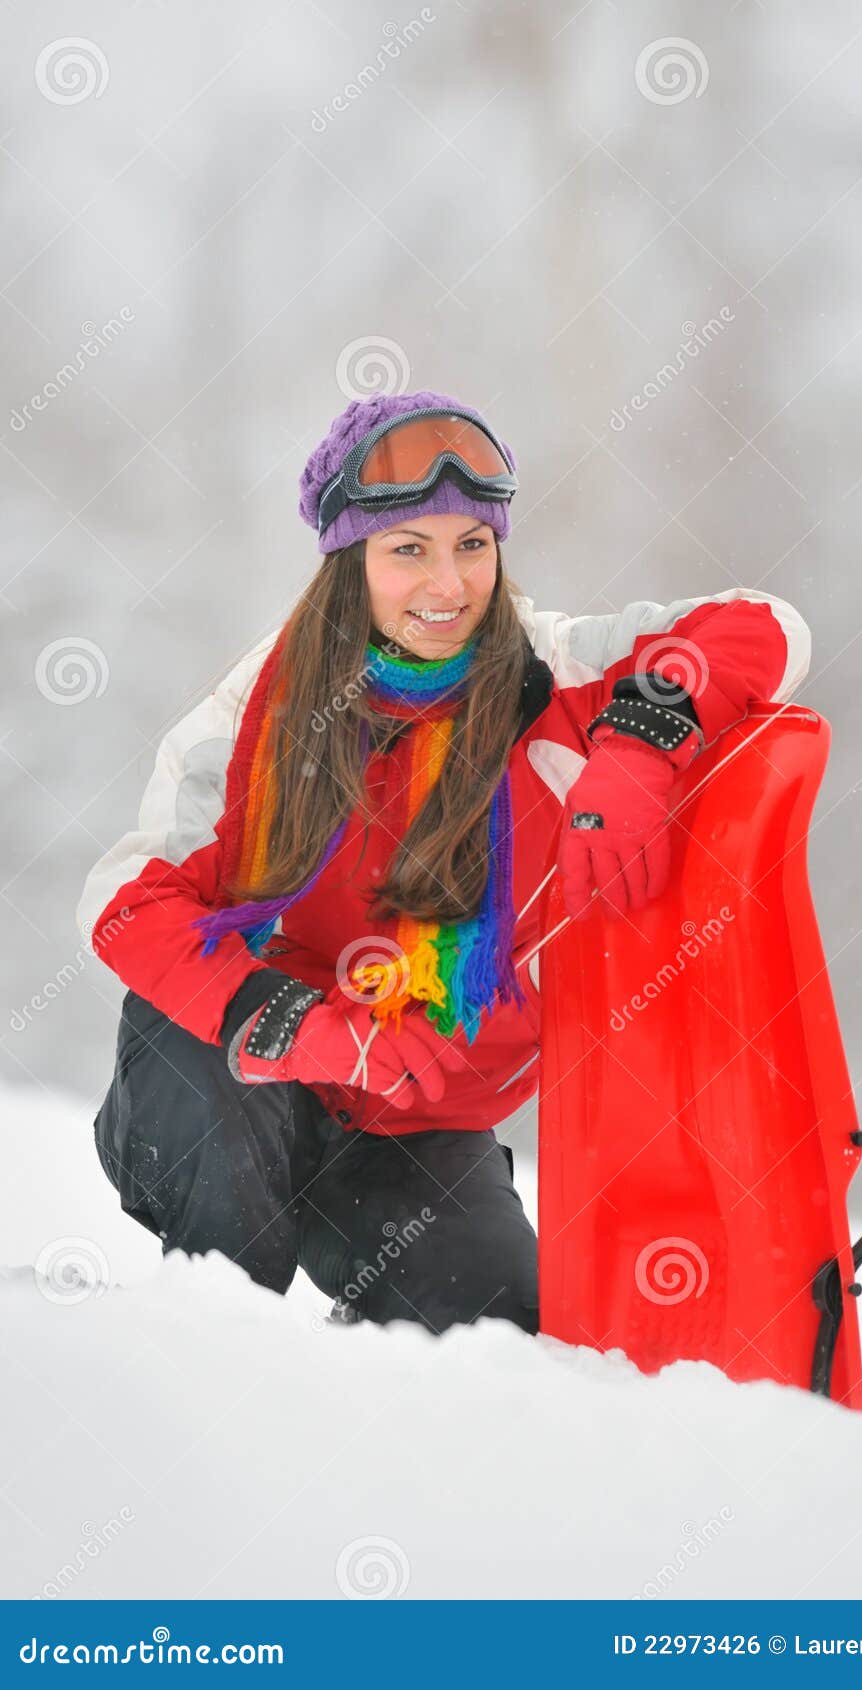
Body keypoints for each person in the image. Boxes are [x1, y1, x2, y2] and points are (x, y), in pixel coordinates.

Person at [78, 389, 811, 1334]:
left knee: (496, 1337)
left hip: (414, 1125)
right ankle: (216, 1347)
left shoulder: (554, 674)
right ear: (351, 562)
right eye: (408, 550)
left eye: (472, 545)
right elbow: (129, 903)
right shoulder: (263, 708)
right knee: (223, 1242)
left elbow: (765, 623)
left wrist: (640, 742)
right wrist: (312, 1030)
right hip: (252, 1078)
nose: (448, 583)